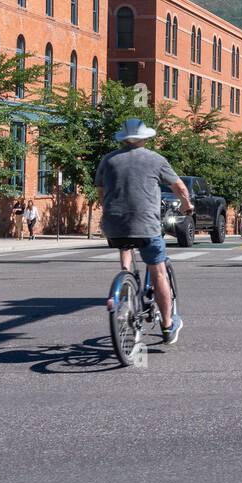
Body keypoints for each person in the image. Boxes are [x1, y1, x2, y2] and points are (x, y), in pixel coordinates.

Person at [94, 118, 192, 345]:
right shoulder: (156, 159)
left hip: (114, 224)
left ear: (123, 139)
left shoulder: (108, 160)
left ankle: (126, 282)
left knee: (125, 243)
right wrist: (187, 206)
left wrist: (108, 209)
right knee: (158, 272)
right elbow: (179, 187)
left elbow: (100, 191)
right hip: (146, 225)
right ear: (146, 138)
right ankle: (168, 327)